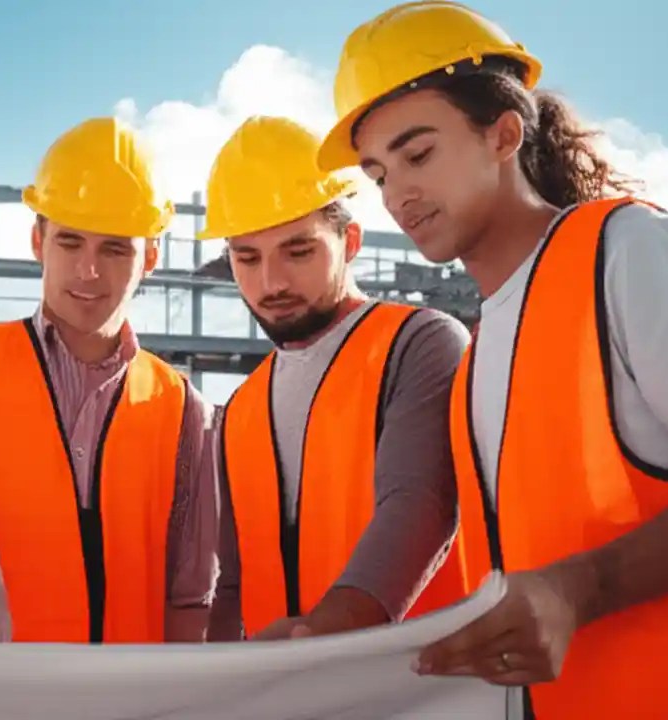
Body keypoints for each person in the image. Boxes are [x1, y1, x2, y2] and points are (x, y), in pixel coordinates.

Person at [318, 2, 668, 718]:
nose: (397, 192)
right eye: (377, 174)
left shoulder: (631, 251)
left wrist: (576, 589)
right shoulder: (482, 348)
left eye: (418, 153)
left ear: (503, 134)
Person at [0, 117, 220, 644]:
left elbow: (191, 589)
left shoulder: (180, 405)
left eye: (115, 249)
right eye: (70, 242)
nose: (88, 270)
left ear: (150, 257)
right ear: (39, 241)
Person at [196, 115, 469, 642]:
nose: (270, 282)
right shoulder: (240, 409)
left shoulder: (419, 344)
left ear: (349, 241)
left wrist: (322, 644)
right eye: (246, 258)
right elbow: (232, 582)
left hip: (420, 690)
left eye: (299, 251)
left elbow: (420, 503)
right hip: (288, 693)